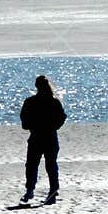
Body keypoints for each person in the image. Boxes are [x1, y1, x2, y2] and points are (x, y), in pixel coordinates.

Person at [18, 74, 65, 206]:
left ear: (36, 86)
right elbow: (61, 118)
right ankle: (52, 191)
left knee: (32, 165)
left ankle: (30, 190)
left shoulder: (31, 102)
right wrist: (54, 126)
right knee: (50, 165)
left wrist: (31, 125)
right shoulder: (54, 101)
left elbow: (24, 121)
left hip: (37, 137)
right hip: (50, 137)